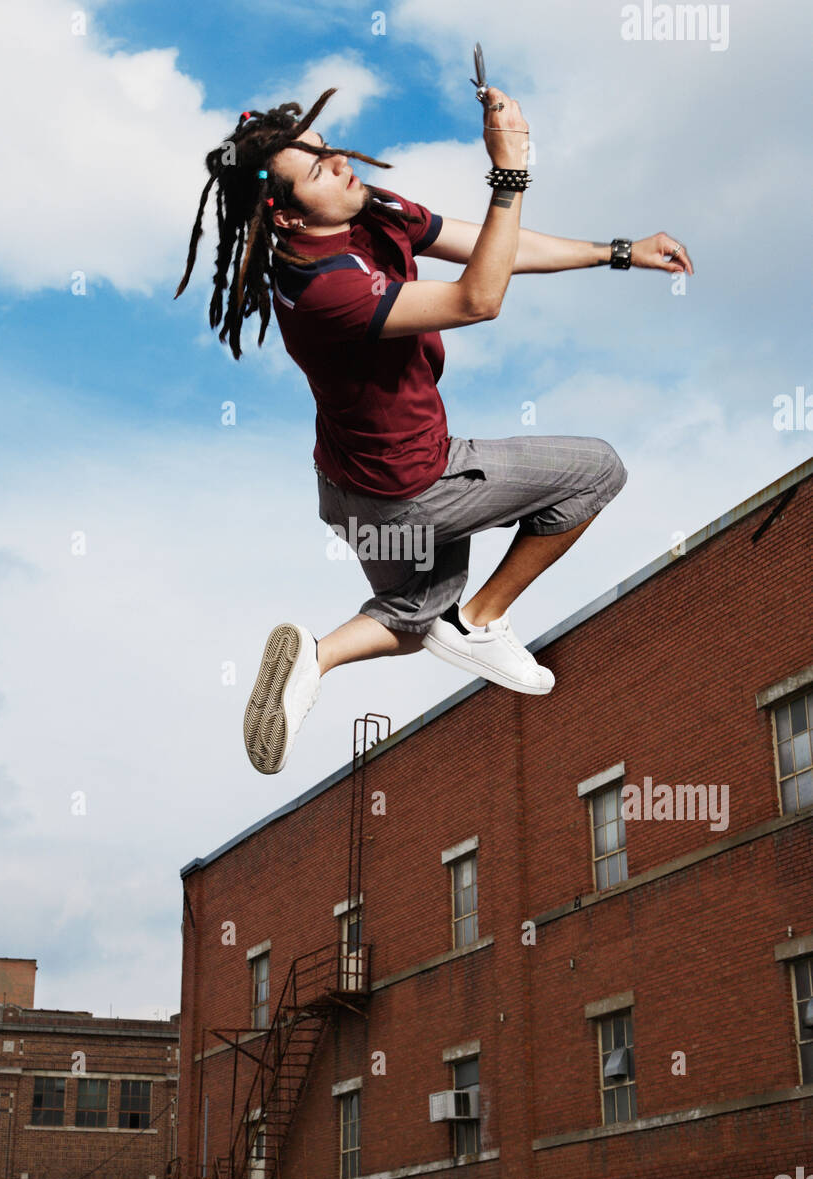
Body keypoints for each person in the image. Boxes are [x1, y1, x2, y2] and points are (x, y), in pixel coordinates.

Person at [174, 85, 693, 774]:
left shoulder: (371, 211)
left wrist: (617, 251)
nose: (338, 164)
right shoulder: (324, 288)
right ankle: (480, 621)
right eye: (317, 171)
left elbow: (488, 248)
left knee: (411, 615)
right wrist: (509, 170)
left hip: (347, 493)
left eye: (327, 150)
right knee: (598, 470)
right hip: (415, 484)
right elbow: (479, 297)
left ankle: (314, 659)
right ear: (290, 221)